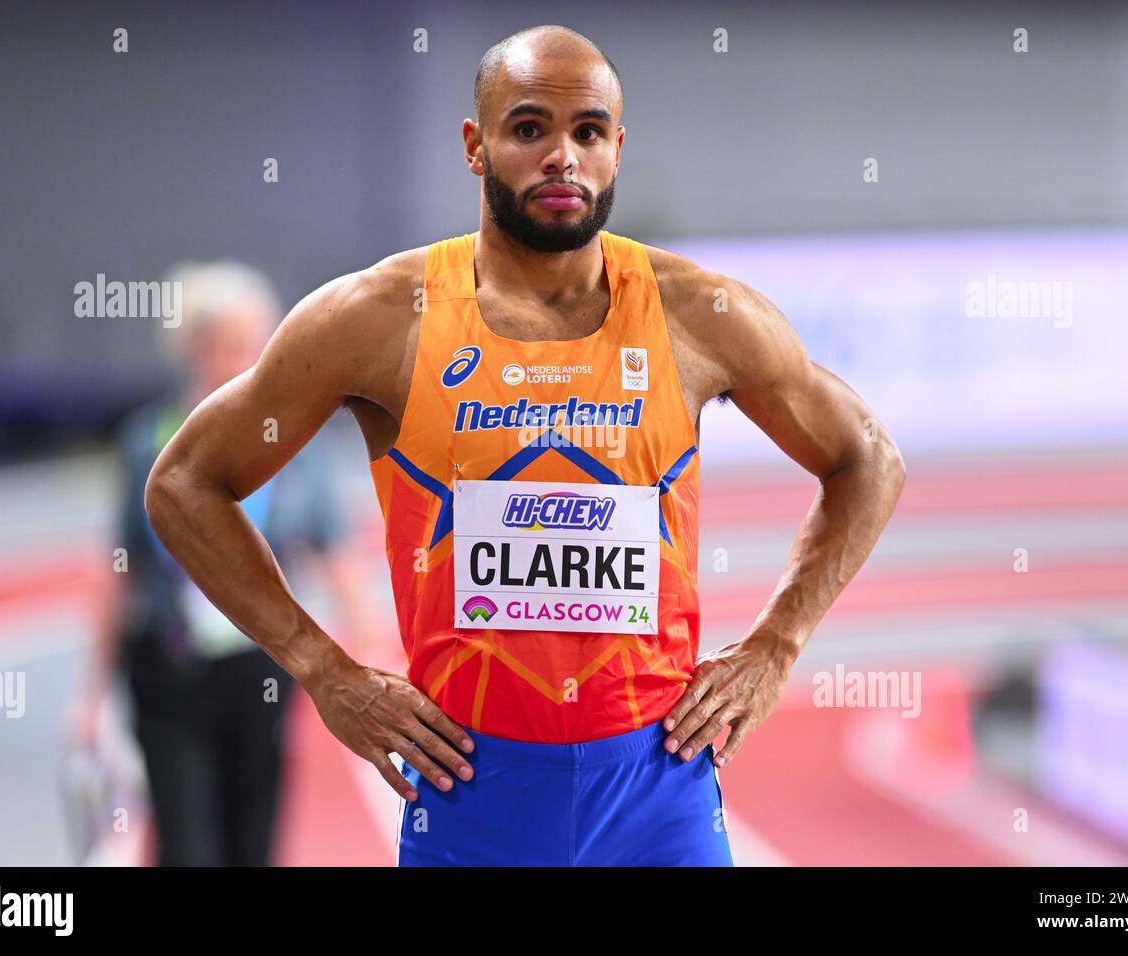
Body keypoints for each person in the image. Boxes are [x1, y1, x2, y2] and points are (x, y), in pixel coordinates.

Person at [144, 25, 906, 866]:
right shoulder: (377, 320)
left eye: (587, 132)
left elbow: (867, 458)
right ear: (476, 146)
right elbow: (184, 483)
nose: (562, 156)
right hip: (471, 792)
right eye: (529, 128)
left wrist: (777, 644)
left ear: (618, 148)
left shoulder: (700, 317)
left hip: (658, 792)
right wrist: (320, 667)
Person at [74, 260, 358, 866]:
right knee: (186, 848)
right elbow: (119, 569)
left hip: (262, 666)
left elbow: (334, 553)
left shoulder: (297, 438)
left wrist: (372, 662)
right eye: (233, 346)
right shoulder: (147, 439)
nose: (249, 361)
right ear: (195, 349)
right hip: (168, 668)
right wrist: (91, 697)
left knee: (252, 845)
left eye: (260, 345)